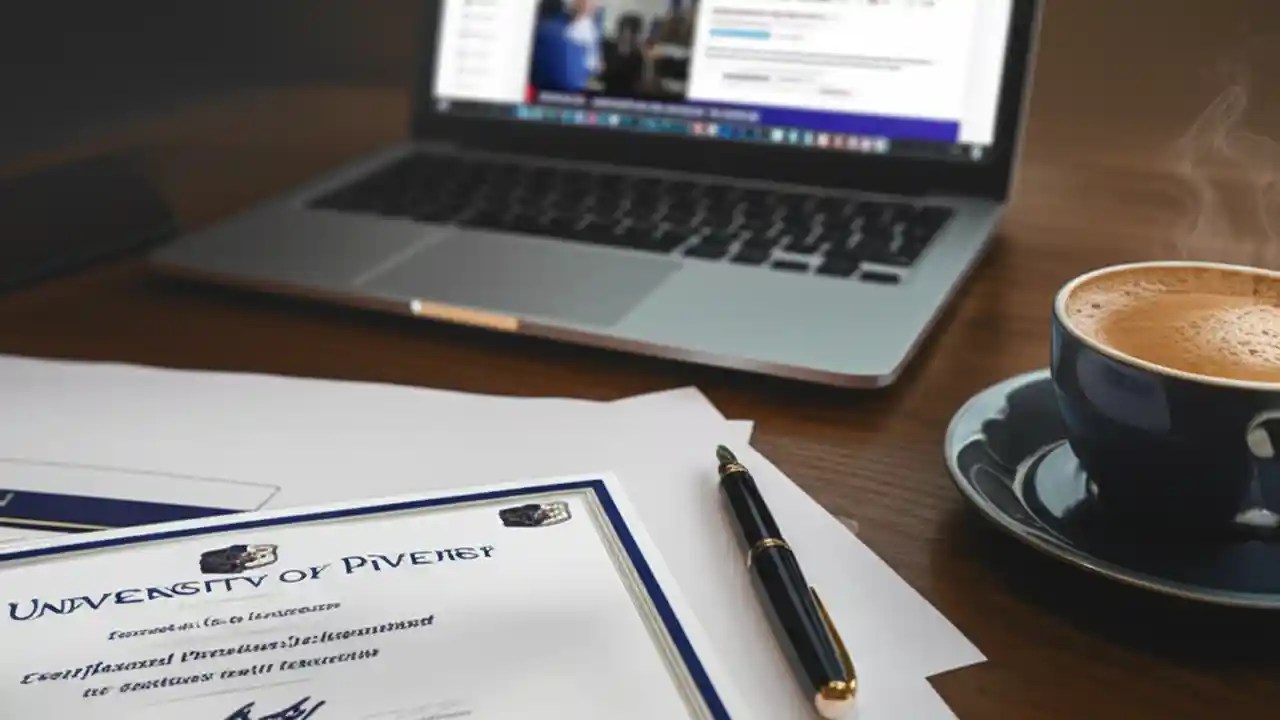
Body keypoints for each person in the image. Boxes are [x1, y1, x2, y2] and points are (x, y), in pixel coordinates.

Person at [529, 0, 602, 93]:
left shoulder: (592, 29)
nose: (593, 4)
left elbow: (595, 65)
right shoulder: (550, 28)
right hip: (552, 92)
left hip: (582, 91)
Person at [601, 14, 647, 97]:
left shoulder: (637, 56)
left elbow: (640, 83)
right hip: (609, 95)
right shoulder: (608, 48)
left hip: (629, 98)